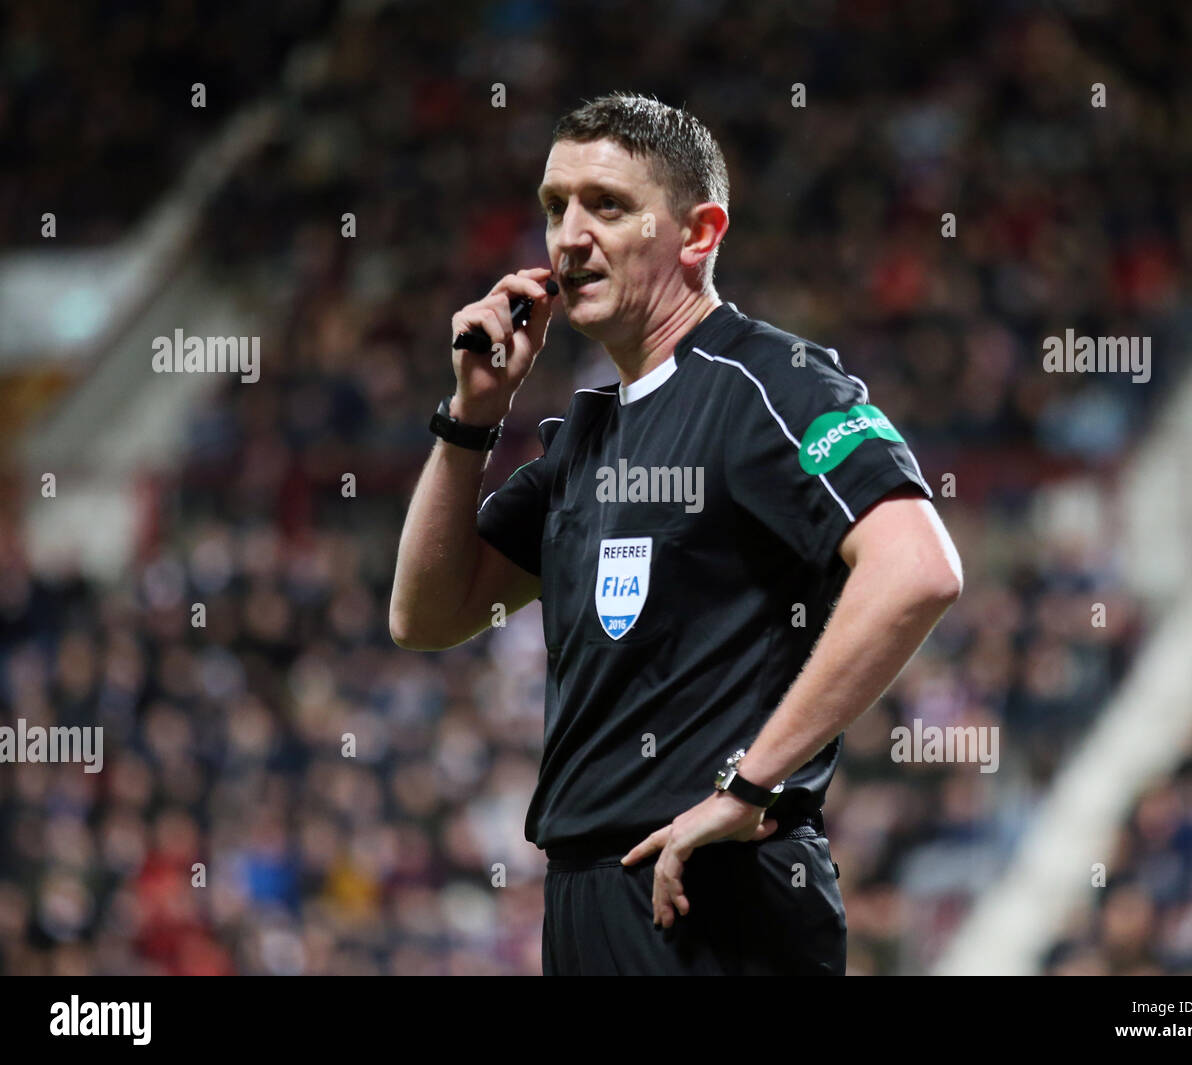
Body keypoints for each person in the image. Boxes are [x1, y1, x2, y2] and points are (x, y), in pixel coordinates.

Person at [390, 92, 963, 975]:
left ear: (698, 234)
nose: (568, 235)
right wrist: (471, 417)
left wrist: (748, 782)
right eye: (555, 206)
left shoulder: (771, 384)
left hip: (712, 894)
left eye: (607, 205)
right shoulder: (586, 437)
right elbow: (426, 616)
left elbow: (917, 568)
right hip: (587, 897)